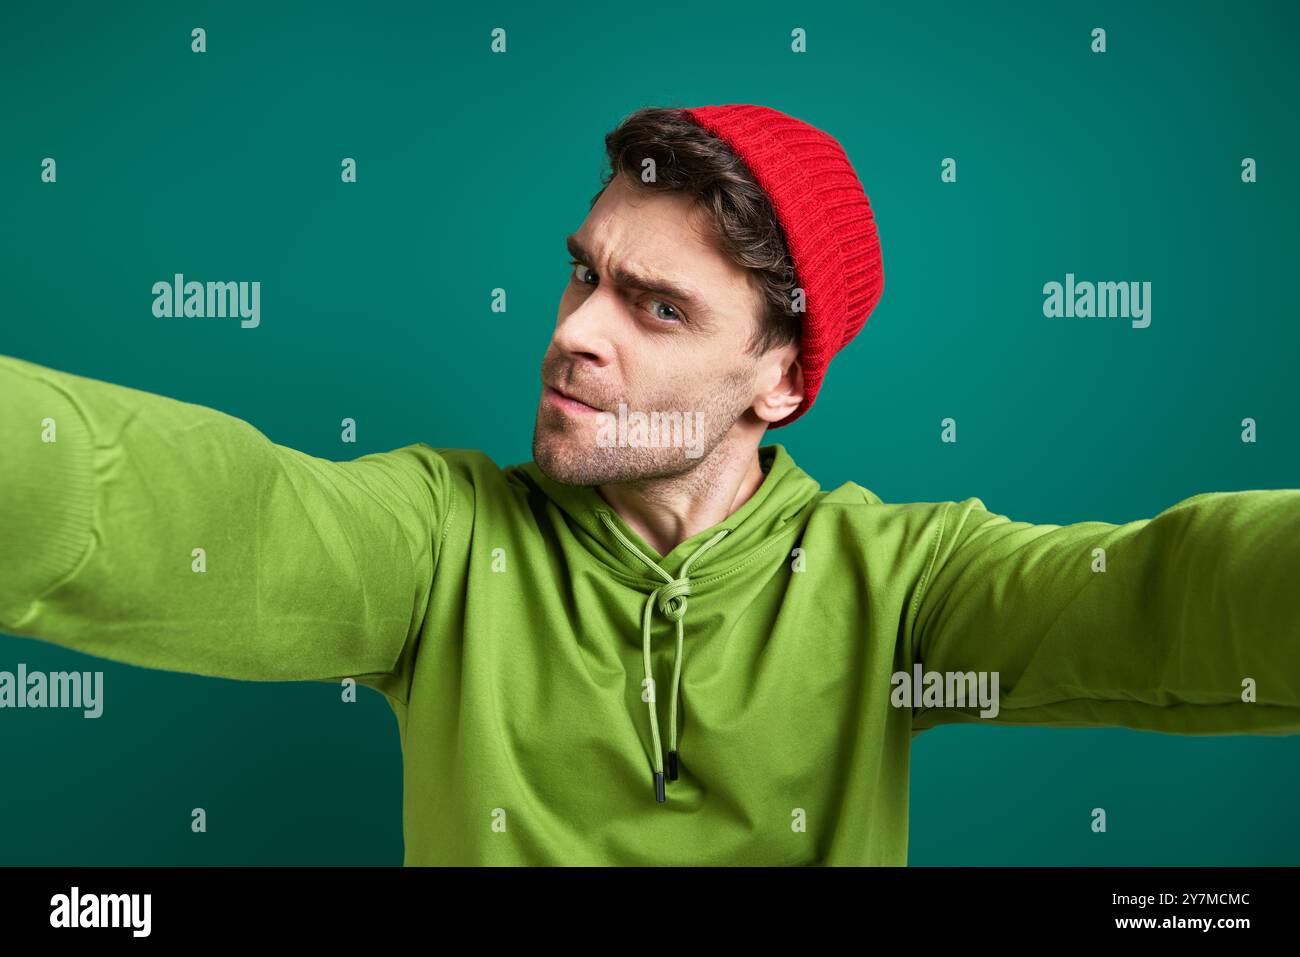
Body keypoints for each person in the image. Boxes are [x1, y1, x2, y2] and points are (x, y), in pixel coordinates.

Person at [2, 104, 1297, 866]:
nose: (576, 329)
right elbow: (211, 508)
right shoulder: (447, 544)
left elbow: (1162, 597)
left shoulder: (898, 587)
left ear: (780, 380)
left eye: (656, 307)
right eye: (585, 274)